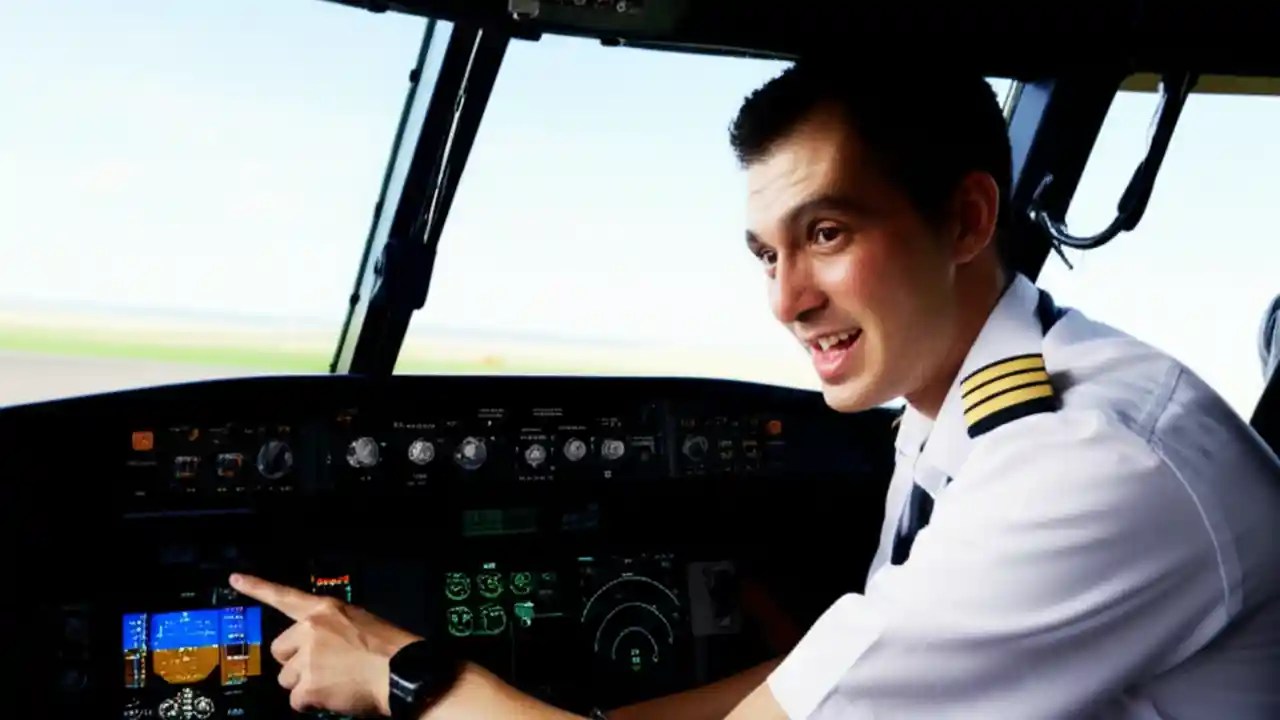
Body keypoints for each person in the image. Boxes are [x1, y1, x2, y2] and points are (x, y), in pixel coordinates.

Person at [230, 59, 1280, 718]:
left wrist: (412, 681)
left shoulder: (1085, 465)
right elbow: (820, 682)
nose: (786, 301)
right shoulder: (956, 403)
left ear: (964, 222)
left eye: (826, 234)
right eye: (763, 254)